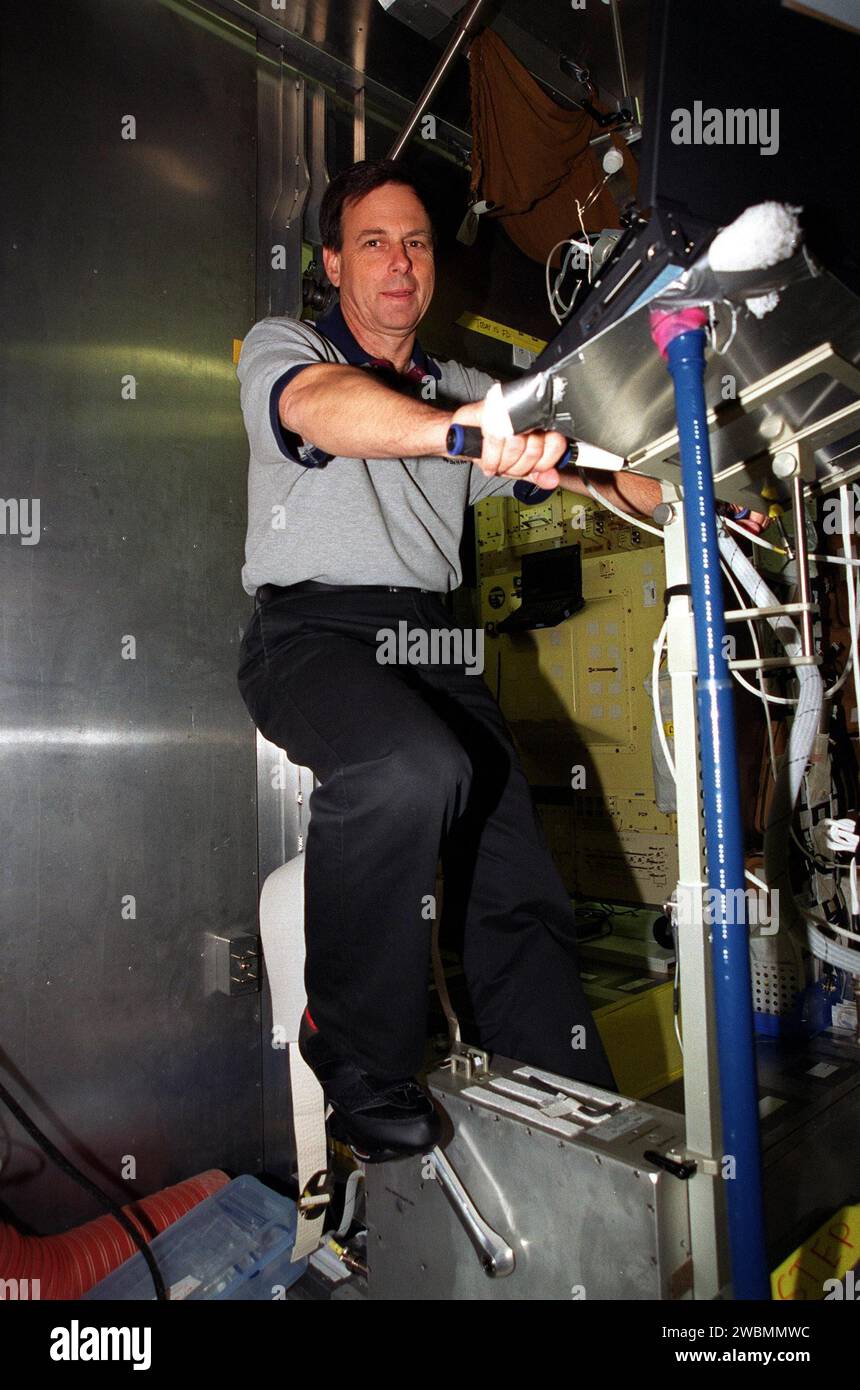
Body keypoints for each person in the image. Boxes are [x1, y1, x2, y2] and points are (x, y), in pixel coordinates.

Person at [235, 159, 677, 1161]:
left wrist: (706, 486)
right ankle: (346, 1048)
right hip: (310, 633)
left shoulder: (468, 389)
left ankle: (574, 1111)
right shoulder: (289, 347)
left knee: (513, 873)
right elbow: (315, 408)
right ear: (334, 260)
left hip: (431, 637)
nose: (400, 262)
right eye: (375, 241)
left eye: (419, 242)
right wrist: (455, 435)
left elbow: (599, 473)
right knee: (408, 767)